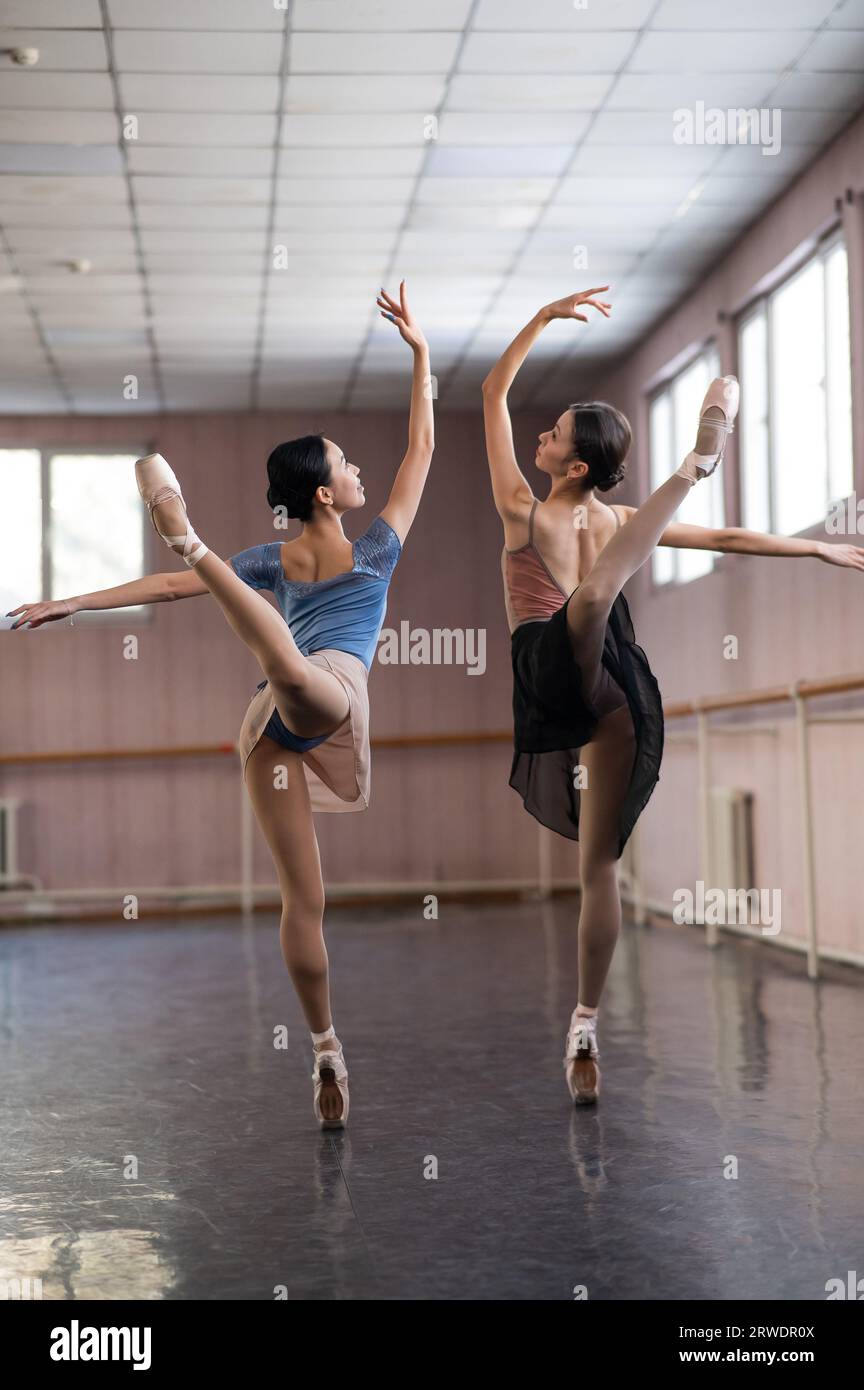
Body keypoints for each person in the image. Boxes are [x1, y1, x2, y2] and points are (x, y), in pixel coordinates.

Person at [9, 283, 433, 1131]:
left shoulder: (312, 556)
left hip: (286, 714)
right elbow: (421, 450)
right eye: (348, 465)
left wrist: (422, 355)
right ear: (324, 494)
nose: (358, 472)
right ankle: (325, 1048)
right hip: (309, 703)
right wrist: (76, 600)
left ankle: (325, 1053)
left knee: (299, 867)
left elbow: (420, 446)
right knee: (296, 699)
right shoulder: (362, 548)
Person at [481, 285, 863, 1105]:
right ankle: (697, 466)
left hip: (602, 673)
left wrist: (814, 552)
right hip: (567, 662)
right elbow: (719, 535)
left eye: (551, 436)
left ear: (572, 466)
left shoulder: (528, 509)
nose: (537, 435)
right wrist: (815, 552)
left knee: (601, 868)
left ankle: (585, 1025)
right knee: (590, 600)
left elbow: (490, 392)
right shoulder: (608, 520)